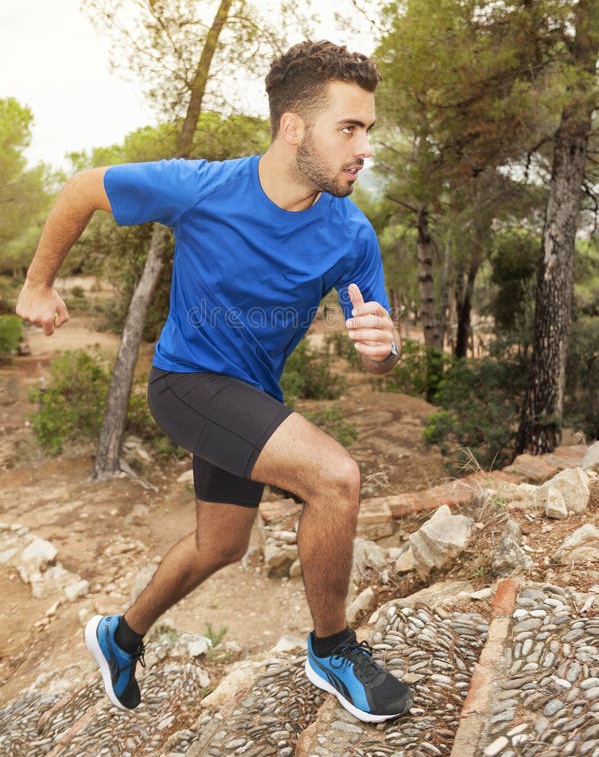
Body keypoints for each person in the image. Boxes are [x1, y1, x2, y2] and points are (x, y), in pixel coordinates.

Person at [16, 40, 413, 724]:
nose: (364, 147)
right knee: (334, 478)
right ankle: (333, 648)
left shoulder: (350, 235)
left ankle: (121, 635)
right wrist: (37, 284)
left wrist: (383, 351)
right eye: (348, 128)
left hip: (249, 400)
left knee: (221, 545)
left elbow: (376, 354)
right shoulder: (203, 189)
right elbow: (85, 187)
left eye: (367, 130)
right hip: (187, 383)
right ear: (294, 128)